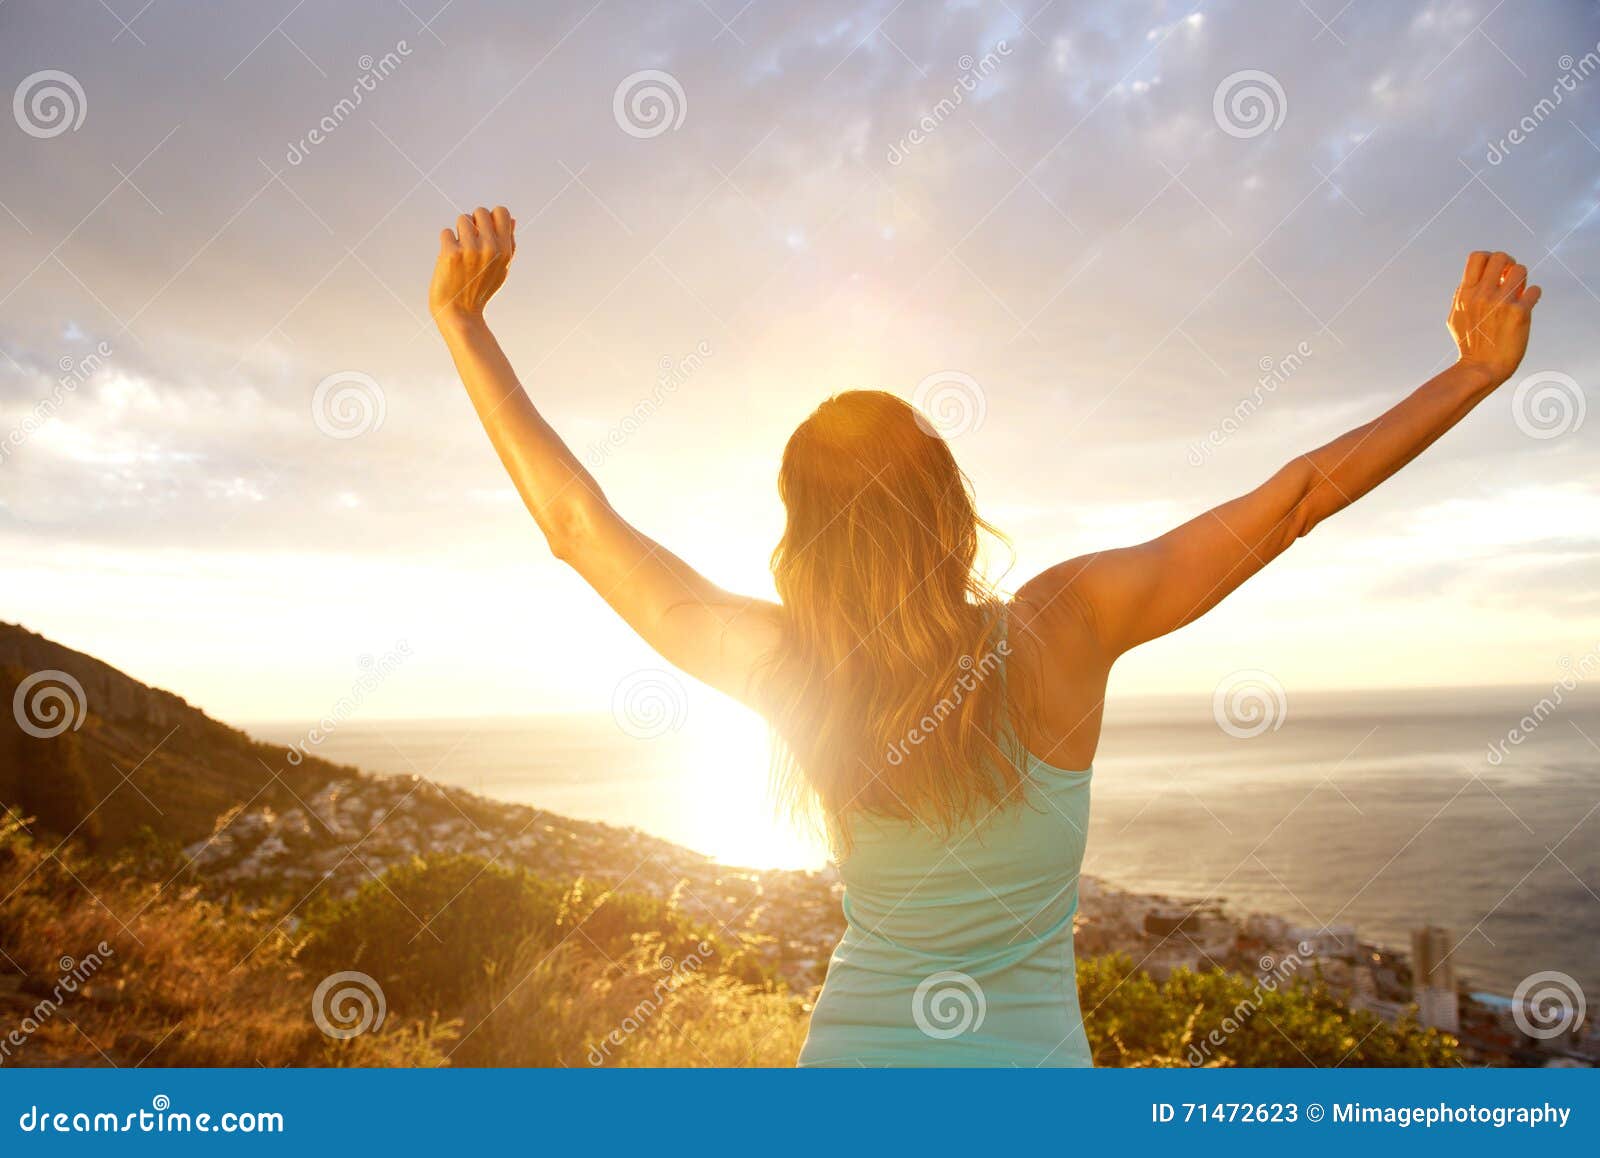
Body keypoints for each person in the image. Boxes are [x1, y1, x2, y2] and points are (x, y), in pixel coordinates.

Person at [429, 206, 1540, 1066]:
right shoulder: (1066, 624)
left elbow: (577, 529)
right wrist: (1474, 372)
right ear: (950, 503)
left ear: (805, 536)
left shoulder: (788, 669)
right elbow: (1295, 498)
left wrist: (462, 324)